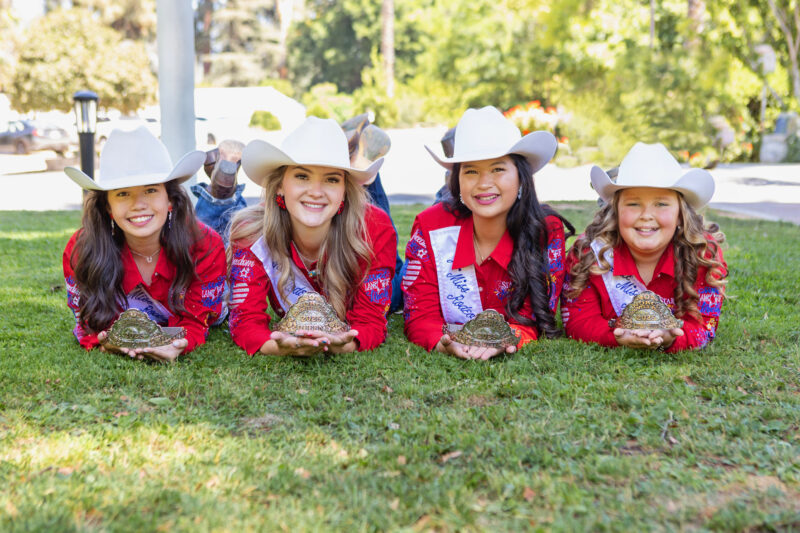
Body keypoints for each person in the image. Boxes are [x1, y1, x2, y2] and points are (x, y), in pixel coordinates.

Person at [402, 106, 574, 360]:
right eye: (471, 171)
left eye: (498, 169)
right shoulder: (430, 226)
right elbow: (419, 314)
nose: (484, 183)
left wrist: (507, 340)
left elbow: (536, 314)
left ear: (521, 177)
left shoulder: (546, 229)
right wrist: (442, 343)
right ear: (456, 180)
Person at [227, 116, 397, 356]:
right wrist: (278, 348)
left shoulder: (376, 228)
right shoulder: (251, 233)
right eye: (302, 176)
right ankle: (356, 160)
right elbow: (245, 320)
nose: (315, 192)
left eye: (331, 179)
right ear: (279, 185)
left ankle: (362, 165)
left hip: (363, 241)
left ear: (344, 190)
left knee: (397, 294)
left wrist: (345, 345)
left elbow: (371, 322)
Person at [62, 127, 227, 362]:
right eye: (122, 194)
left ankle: (222, 196)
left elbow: (196, 323)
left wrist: (180, 344)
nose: (139, 204)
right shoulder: (81, 251)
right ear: (107, 206)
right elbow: (87, 325)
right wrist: (108, 342)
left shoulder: (206, 245)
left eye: (150, 190)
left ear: (170, 199)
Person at [562, 142, 727, 351]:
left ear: (680, 214)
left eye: (661, 204)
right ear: (615, 211)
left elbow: (705, 327)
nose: (646, 215)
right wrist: (617, 336)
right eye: (633, 204)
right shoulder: (589, 252)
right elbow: (577, 322)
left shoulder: (702, 253)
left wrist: (673, 337)